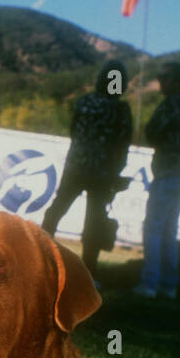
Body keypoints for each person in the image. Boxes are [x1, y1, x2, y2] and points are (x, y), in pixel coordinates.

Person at [41, 59, 132, 282]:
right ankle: (90, 273)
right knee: (94, 221)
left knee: (56, 211)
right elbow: (122, 145)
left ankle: (40, 258)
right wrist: (116, 174)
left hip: (76, 167)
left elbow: (74, 131)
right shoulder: (121, 109)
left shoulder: (85, 102)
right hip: (102, 173)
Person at [133, 61, 180, 299]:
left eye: (165, 77)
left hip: (168, 173)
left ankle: (149, 283)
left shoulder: (170, 105)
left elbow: (152, 132)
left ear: (177, 81)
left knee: (153, 228)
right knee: (169, 230)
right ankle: (169, 284)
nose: (160, 80)